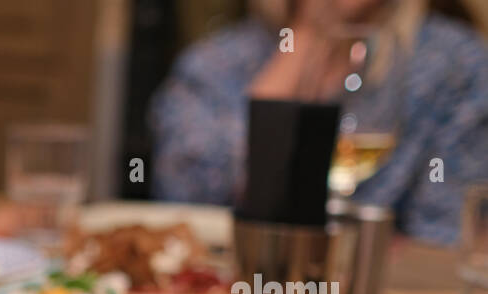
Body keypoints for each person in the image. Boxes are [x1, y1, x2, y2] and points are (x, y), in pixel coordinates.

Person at [149, 0, 488, 243]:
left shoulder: (456, 64)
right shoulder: (214, 64)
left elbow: (447, 232)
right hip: (242, 293)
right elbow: (185, 211)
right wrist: (306, 38)